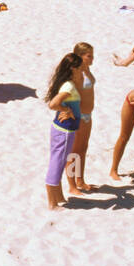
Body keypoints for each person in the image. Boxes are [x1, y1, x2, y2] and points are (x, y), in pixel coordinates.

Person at [44, 51, 83, 209]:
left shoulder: (66, 83)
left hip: (61, 129)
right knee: (57, 163)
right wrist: (66, 111)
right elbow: (53, 104)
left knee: (59, 161)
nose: (81, 71)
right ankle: (52, 203)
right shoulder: (69, 86)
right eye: (80, 68)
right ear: (73, 68)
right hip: (64, 131)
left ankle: (58, 196)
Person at [65, 42, 96, 194]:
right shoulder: (76, 72)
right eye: (89, 56)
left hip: (88, 115)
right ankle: (71, 186)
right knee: (73, 151)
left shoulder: (87, 69)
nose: (92, 59)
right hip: (78, 115)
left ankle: (80, 180)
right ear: (80, 56)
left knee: (83, 149)